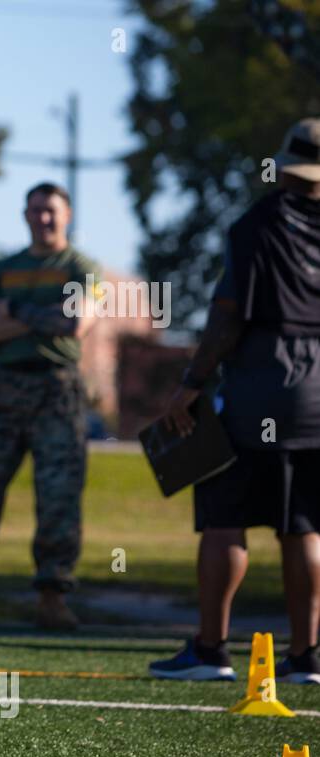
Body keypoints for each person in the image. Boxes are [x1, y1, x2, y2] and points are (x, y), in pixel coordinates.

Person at [151, 118, 320, 683]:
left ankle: (210, 649)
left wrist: (192, 384)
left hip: (262, 387)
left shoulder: (258, 223)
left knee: (225, 520)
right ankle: (306, 658)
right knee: (304, 525)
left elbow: (230, 316)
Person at [0, 182, 101, 630]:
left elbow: (75, 324)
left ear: (67, 214)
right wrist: (41, 317)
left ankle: (52, 595)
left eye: (51, 210)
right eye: (35, 210)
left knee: (58, 498)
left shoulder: (80, 266)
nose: (44, 218)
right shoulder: (2, 267)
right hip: (3, 391)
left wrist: (11, 311)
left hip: (57, 391)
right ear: (25, 214)